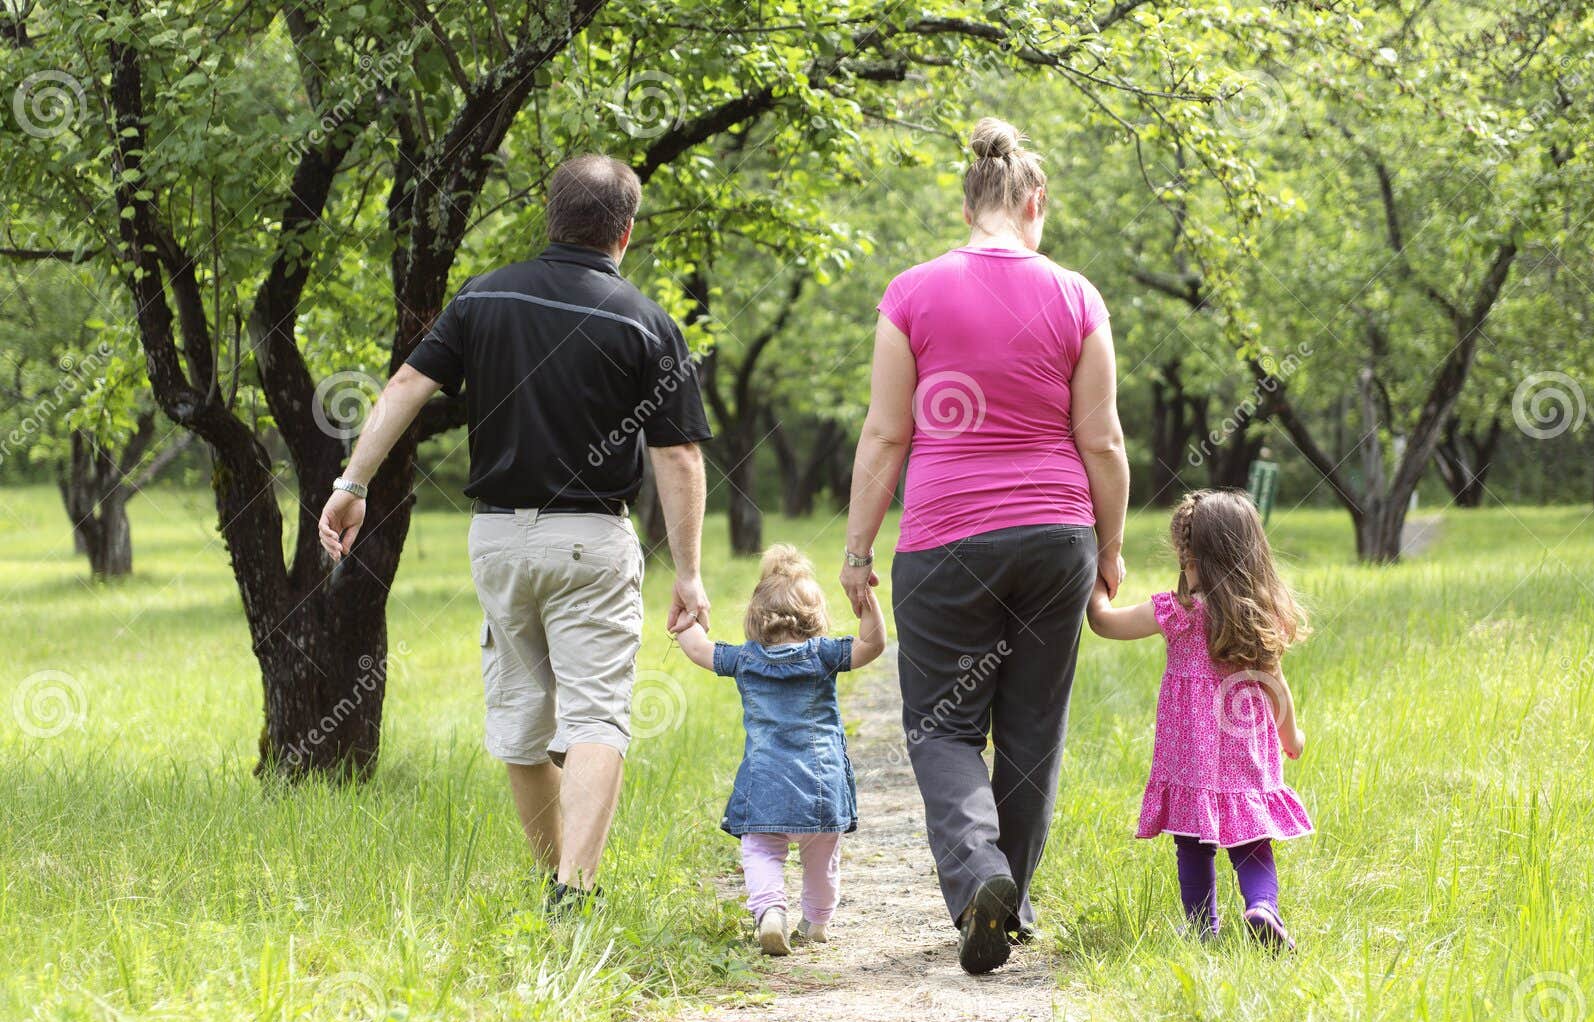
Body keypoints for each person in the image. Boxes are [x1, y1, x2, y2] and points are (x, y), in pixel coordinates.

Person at [317, 154, 713, 908]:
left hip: (496, 540)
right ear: (624, 233)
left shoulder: (482, 296)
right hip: (590, 540)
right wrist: (688, 572)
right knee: (596, 712)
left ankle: (555, 880)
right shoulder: (645, 320)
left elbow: (404, 387)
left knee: (523, 724)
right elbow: (680, 454)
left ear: (551, 220)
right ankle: (576, 886)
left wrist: (351, 483)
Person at [840, 116, 1128, 974]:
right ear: (1033, 202)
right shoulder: (1078, 296)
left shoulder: (912, 293)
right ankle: (1010, 900)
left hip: (944, 543)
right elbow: (1104, 440)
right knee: (1033, 727)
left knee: (940, 725)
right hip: (1055, 537)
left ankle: (980, 881)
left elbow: (886, 436)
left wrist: (858, 552)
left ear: (968, 202)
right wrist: (1108, 546)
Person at [1085, 489, 1313, 950]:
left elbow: (1104, 622)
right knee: (1253, 838)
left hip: (1188, 751)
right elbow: (1276, 687)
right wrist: (1292, 736)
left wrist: (1097, 572)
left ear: (1194, 559)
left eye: (1186, 560)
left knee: (1192, 838)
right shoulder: (1256, 614)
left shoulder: (1176, 611)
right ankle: (1262, 907)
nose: (1184, 569)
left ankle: (1200, 926)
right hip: (1245, 747)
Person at [675, 545, 886, 955]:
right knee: (822, 858)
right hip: (821, 786)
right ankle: (817, 921)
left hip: (765, 784)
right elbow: (872, 645)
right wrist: (868, 604)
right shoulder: (824, 655)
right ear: (815, 618)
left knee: (760, 849)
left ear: (755, 618)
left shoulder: (744, 659)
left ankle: (771, 911)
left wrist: (687, 618)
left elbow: (699, 649)